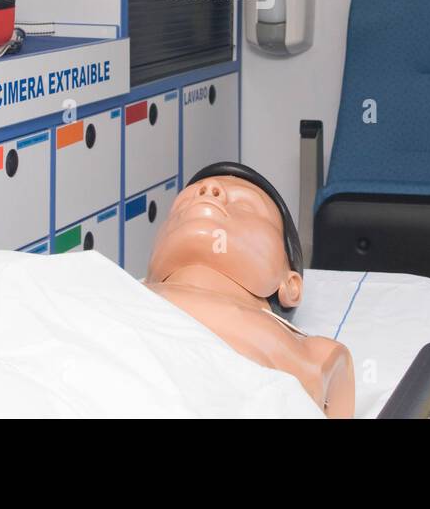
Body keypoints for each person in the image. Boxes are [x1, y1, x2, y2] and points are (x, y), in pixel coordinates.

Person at [145, 162, 354, 417]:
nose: (209, 190)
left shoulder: (319, 358)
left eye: (246, 206)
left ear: (291, 285)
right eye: (181, 205)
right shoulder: (107, 289)